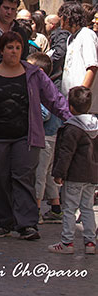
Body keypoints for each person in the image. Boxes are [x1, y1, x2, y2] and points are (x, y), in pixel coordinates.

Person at [0, 31, 71, 240]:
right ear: (2, 50)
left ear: (22, 50)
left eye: (17, 48)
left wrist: (71, 117)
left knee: (24, 178)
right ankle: (3, 223)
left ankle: (27, 224)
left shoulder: (33, 73)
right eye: (10, 47)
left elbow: (53, 98)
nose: (13, 51)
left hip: (26, 136)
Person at [49, 86, 98, 255]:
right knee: (88, 208)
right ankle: (90, 243)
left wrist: (59, 174)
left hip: (75, 175)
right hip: (92, 176)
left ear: (70, 107)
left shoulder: (71, 128)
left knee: (69, 208)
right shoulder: (96, 125)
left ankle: (67, 242)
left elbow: (66, 153)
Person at [27, 53, 63, 224]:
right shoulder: (50, 87)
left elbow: (44, 113)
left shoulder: (41, 89)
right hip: (52, 137)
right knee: (47, 174)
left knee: (39, 175)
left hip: (45, 138)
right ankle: (56, 207)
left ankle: (37, 209)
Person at [59, 1, 98, 112]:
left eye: (61, 17)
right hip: (72, 105)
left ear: (67, 18)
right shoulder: (70, 38)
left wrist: (81, 97)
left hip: (85, 108)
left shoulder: (86, 35)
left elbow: (92, 67)